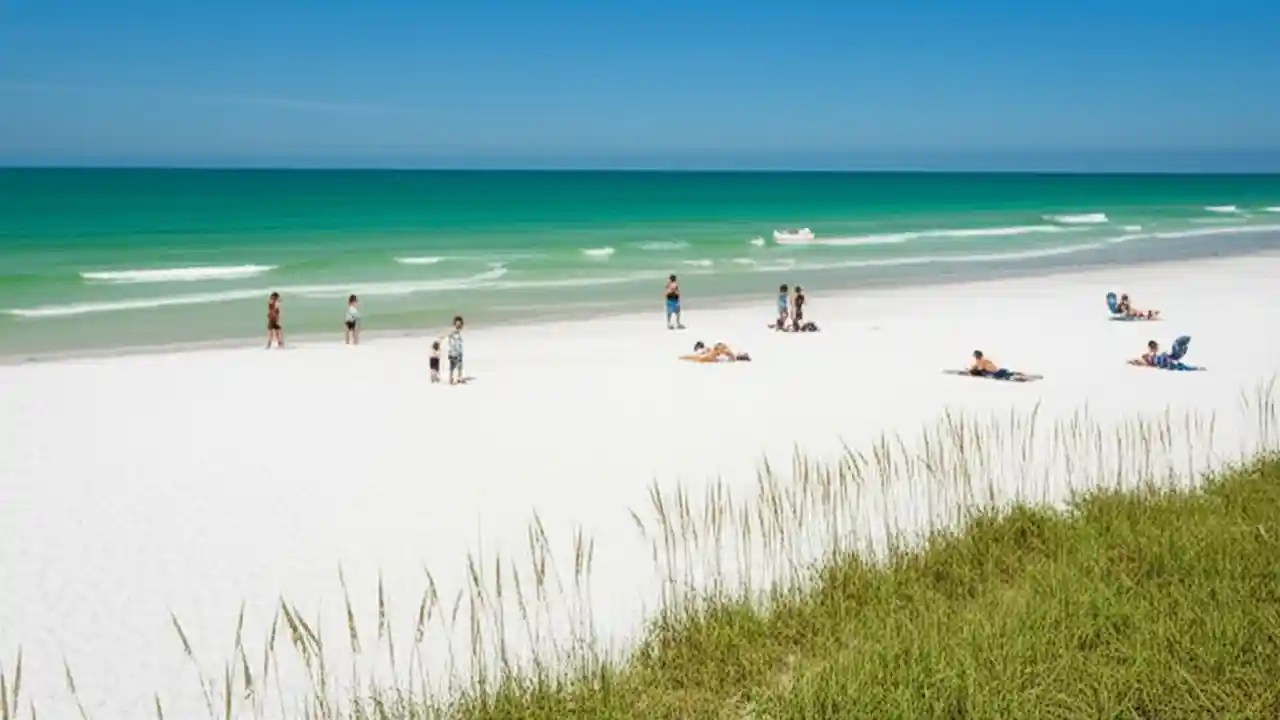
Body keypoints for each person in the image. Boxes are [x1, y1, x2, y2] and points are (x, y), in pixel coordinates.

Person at [968, 350, 1034, 381]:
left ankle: (1018, 376)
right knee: (1009, 373)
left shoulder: (981, 362)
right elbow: (978, 367)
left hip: (995, 373)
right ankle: (1020, 375)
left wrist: (972, 370)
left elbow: (979, 368)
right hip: (998, 370)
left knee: (1007, 375)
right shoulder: (985, 360)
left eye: (975, 356)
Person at [681, 341, 751, 363]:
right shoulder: (730, 355)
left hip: (714, 356)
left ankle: (702, 348)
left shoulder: (730, 356)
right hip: (715, 355)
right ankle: (702, 348)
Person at [446, 315, 465, 385]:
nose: (459, 325)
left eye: (460, 324)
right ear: (455, 324)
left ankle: (459, 378)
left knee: (460, 365)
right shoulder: (453, 331)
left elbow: (458, 341)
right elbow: (449, 337)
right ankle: (451, 379)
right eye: (457, 324)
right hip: (453, 351)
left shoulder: (458, 332)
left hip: (458, 351)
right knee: (452, 366)